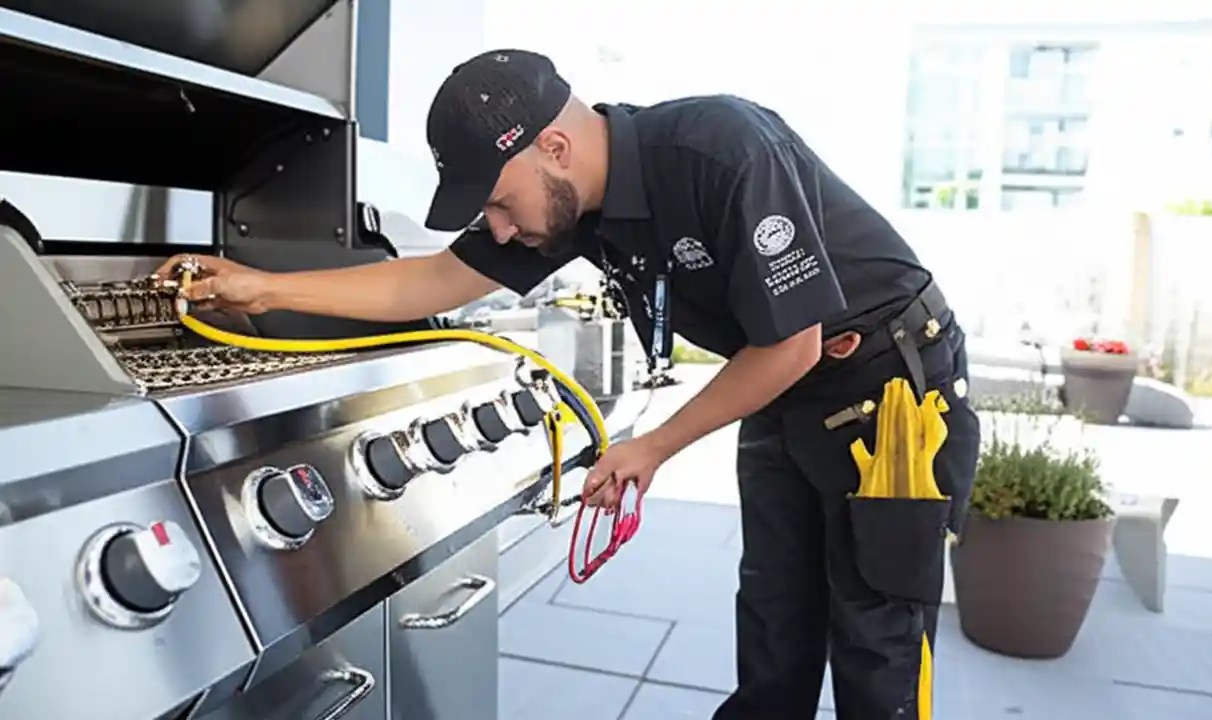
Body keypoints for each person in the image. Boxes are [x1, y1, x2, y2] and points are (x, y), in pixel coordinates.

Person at [158, 48, 979, 720]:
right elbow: (429, 284)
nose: (503, 229)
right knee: (774, 627)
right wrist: (259, 287)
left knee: (877, 648)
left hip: (887, 390)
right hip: (777, 385)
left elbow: (793, 340)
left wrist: (652, 447)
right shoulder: (568, 204)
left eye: (501, 204)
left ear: (553, 146)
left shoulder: (721, 148)